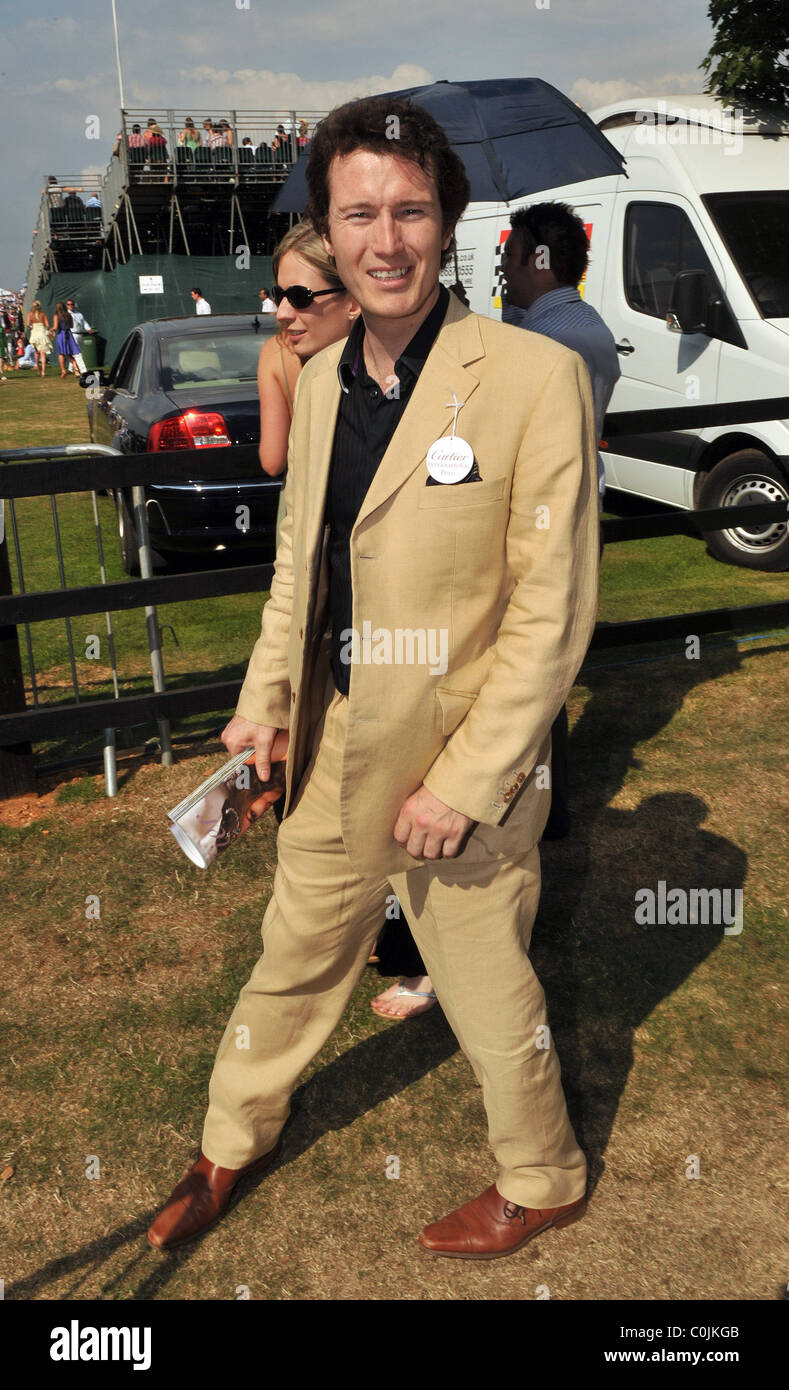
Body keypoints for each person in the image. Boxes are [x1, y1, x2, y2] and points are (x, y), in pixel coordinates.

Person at [148, 95, 599, 1261]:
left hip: (460, 765)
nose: (385, 239)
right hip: (335, 742)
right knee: (293, 958)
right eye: (360, 213)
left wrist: (467, 782)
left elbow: (551, 615)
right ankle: (225, 1147)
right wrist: (265, 703)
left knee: (490, 987)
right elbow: (299, 568)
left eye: (410, 210)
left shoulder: (536, 378)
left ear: (445, 221)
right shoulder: (326, 369)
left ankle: (543, 1174)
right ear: (327, 228)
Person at [502, 201, 621, 839]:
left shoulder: (543, 340)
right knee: (546, 661)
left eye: (510, 253)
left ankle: (544, 807)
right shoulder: (588, 325)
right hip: (579, 515)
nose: (502, 265)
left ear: (537, 260)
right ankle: (548, 804)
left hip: (539, 523)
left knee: (528, 665)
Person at [50, 301, 85, 379]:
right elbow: (71, 325)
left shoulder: (56, 316)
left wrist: (51, 330)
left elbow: (55, 327)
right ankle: (76, 369)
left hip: (61, 335)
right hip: (69, 334)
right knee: (70, 353)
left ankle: (63, 370)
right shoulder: (68, 315)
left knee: (61, 353)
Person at [26, 300, 50, 377]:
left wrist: (32, 327)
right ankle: (43, 371)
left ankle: (38, 370)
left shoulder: (30, 314)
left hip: (35, 333)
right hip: (42, 332)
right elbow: (47, 324)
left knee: (36, 353)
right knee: (43, 354)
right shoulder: (43, 314)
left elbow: (28, 324)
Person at [65, 299, 91, 366]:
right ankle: (81, 368)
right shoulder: (66, 314)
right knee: (77, 353)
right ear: (66, 305)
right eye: (69, 304)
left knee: (77, 351)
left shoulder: (79, 314)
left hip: (80, 334)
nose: (70, 306)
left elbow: (84, 322)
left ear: (74, 305)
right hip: (72, 334)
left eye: (72, 304)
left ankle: (72, 368)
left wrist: (89, 329)